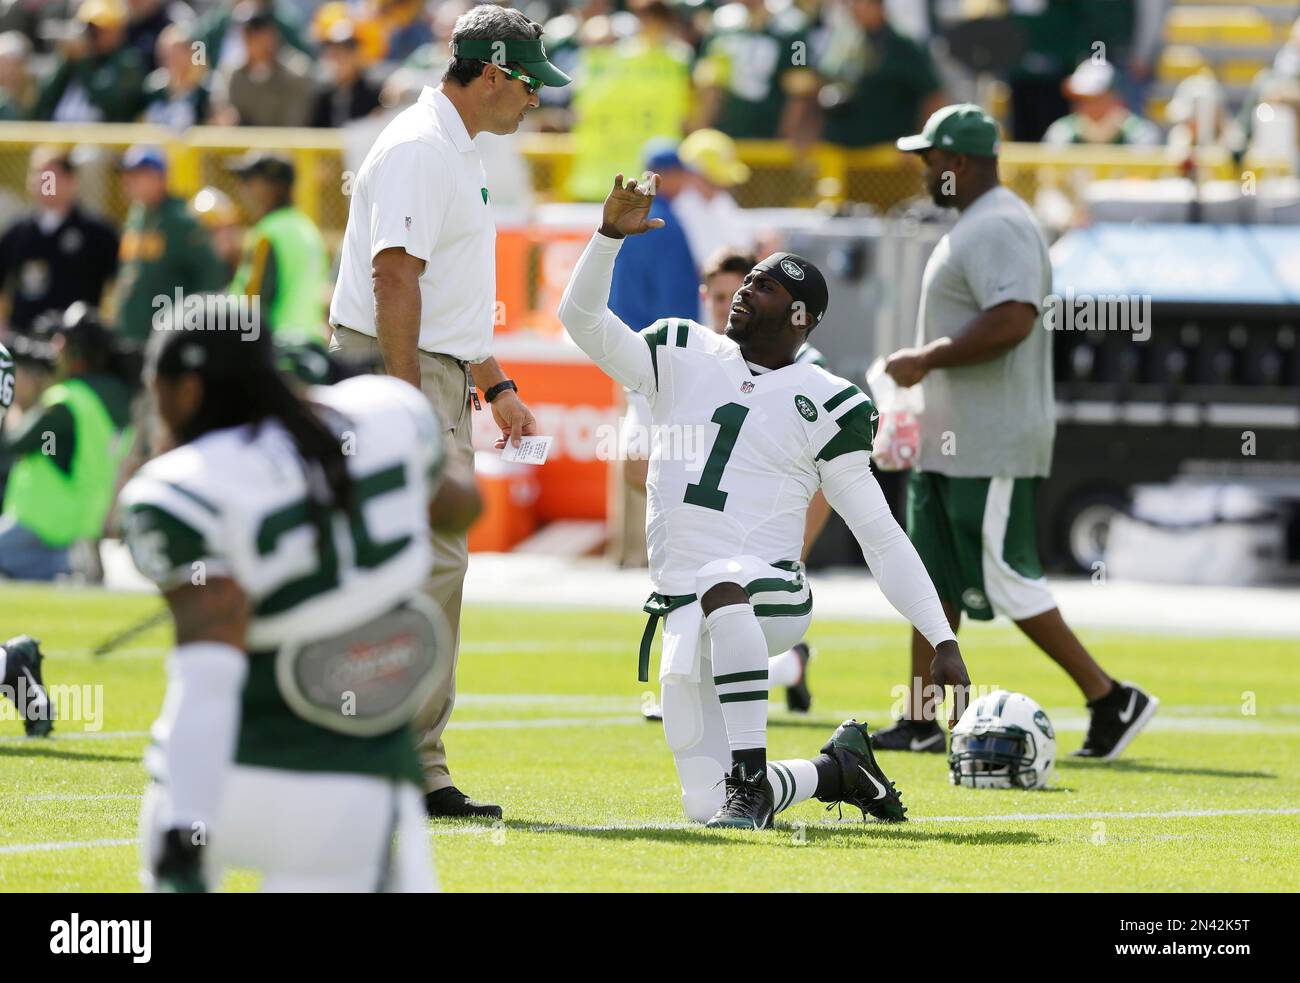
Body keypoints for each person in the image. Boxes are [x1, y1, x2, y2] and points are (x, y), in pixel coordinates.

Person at [558, 173, 970, 829]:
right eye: (747, 281)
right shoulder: (679, 349)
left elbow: (880, 534)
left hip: (769, 590)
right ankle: (835, 768)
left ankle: (750, 782)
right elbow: (580, 320)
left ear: (800, 315)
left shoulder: (828, 401)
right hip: (683, 601)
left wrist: (940, 635)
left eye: (766, 285)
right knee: (701, 804)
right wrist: (608, 236)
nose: (746, 289)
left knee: (726, 584)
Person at [123, 320, 481, 893]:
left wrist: (185, 826)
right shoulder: (384, 417)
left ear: (187, 389)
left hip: (223, 780)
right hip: (345, 795)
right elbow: (461, 505)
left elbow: (207, 680)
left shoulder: (185, 487)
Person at [329, 3, 568, 819]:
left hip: (433, 367)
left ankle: (389, 757)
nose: (536, 100)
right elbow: (394, 280)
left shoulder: (445, 145)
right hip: (405, 372)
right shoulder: (426, 149)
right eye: (530, 83)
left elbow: (438, 295)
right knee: (425, 566)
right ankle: (408, 766)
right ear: (493, 73)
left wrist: (495, 383)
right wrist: (408, 408)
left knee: (412, 566)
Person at [881, 104, 1157, 759]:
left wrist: (925, 359)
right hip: (953, 436)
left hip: (990, 438)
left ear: (961, 162)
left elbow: (1013, 319)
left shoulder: (1000, 223)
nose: (924, 172)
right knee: (932, 577)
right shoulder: (978, 222)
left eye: (931, 160)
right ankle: (923, 716)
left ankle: (1110, 696)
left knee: (1003, 576)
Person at [629, 245, 827, 716]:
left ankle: (758, 762)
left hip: (755, 540)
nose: (730, 304)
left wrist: (789, 551)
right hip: (697, 531)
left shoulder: (805, 371)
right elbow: (634, 463)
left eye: (755, 291)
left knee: (728, 619)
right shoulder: (680, 353)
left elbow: (821, 482)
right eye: (721, 295)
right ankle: (790, 672)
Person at [0, 304, 135, 581]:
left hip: (41, 524)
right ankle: (71, 561)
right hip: (84, 523)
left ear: (78, 353)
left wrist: (13, 400)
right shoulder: (118, 399)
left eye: (61, 341)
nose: (54, 348)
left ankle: (67, 562)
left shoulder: (66, 400)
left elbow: (11, 444)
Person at [0, 146, 119, 336]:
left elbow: (121, 284)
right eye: (37, 174)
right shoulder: (16, 233)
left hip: (77, 348)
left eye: (50, 176)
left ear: (71, 181)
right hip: (24, 343)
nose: (42, 181)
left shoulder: (97, 234)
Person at [113, 145, 226, 344]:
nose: (128, 181)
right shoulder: (136, 216)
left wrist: (195, 326)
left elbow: (210, 276)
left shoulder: (180, 221)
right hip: (133, 334)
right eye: (127, 174)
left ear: (159, 178)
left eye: (138, 175)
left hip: (168, 337)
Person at [227, 151, 330, 344]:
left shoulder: (269, 232)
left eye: (250, 181)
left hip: (275, 350)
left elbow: (253, 306)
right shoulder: (308, 228)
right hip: (310, 347)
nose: (243, 189)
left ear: (275, 187)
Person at [817, 0, 946, 148]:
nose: (855, 9)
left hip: (889, 158)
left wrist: (922, 140)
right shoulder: (842, 43)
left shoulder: (902, 46)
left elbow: (933, 96)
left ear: (878, 7)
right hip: (840, 152)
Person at [608, 143, 697, 332]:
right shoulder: (663, 222)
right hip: (654, 335)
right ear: (663, 176)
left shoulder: (627, 215)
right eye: (680, 174)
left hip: (620, 327)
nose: (684, 180)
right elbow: (673, 287)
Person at [34, 0, 149, 123]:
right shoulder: (73, 57)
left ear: (117, 30)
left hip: (106, 139)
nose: (91, 34)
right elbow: (43, 102)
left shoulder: (128, 61)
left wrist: (83, 61)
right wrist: (64, 61)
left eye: (97, 28)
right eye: (87, 27)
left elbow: (113, 105)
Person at [209, 2, 315, 127]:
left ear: (273, 35)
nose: (252, 39)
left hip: (284, 145)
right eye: (247, 33)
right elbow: (220, 109)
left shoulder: (296, 72)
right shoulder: (230, 73)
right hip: (241, 144)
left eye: (258, 31)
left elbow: (295, 123)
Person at [1042, 58, 1161, 148]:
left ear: (1114, 97)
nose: (1083, 105)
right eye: (1079, 98)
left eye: (1093, 98)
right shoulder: (1062, 132)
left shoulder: (1139, 133)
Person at [308, 20, 381, 128]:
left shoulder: (375, 94)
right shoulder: (321, 94)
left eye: (346, 50)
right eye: (333, 50)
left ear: (357, 53)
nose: (339, 57)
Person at [0, 633, 54, 738]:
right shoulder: (14, 661)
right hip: (10, 666)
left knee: (40, 716)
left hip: (10, 666)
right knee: (41, 717)